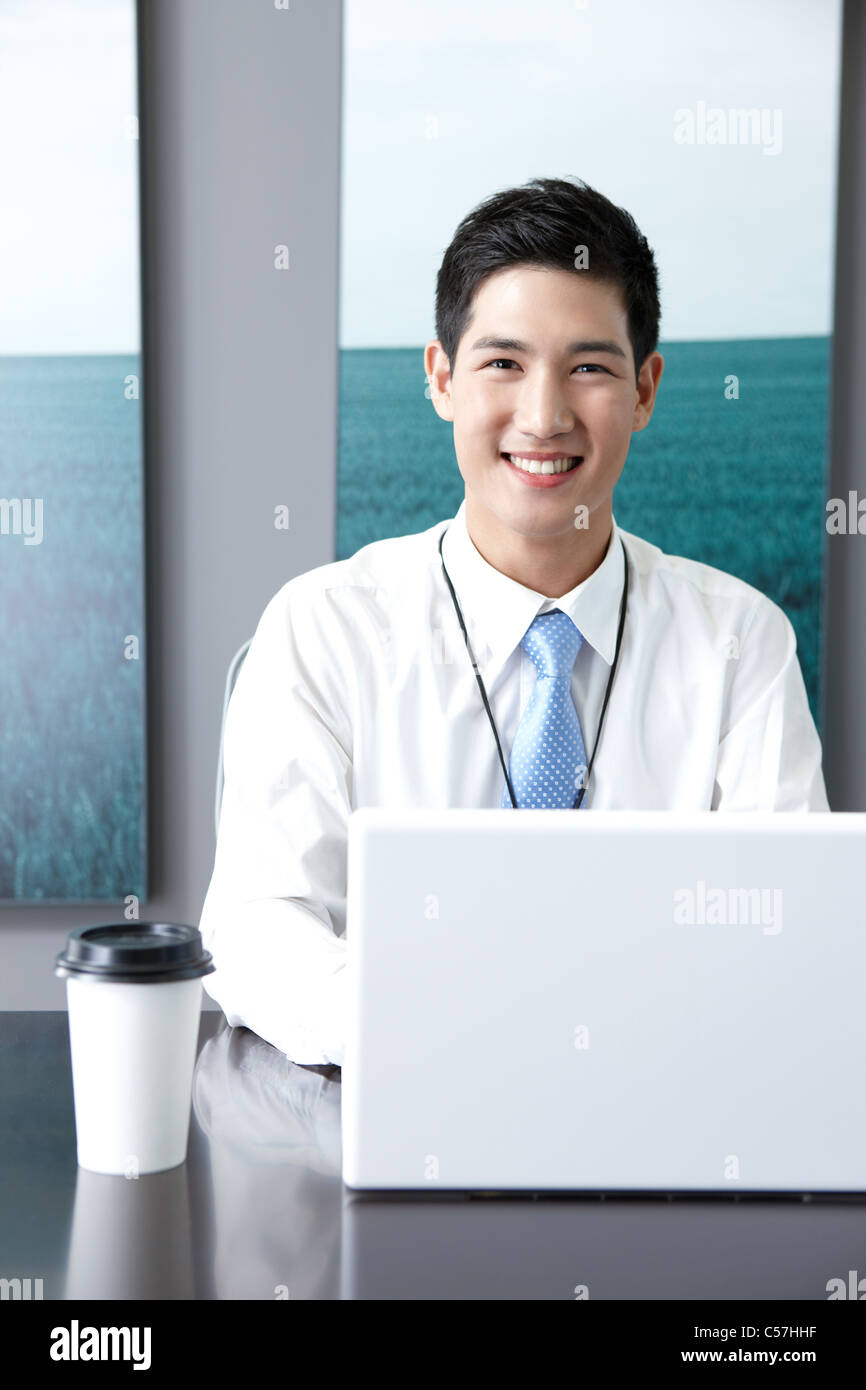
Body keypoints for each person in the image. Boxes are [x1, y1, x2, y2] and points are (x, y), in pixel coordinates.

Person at [199, 176, 828, 1066]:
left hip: (660, 1120)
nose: (544, 416)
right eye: (503, 363)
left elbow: (790, 928)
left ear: (645, 390)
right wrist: (465, 1039)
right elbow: (261, 929)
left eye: (590, 367)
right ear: (442, 379)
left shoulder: (740, 644)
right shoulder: (324, 630)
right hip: (392, 1117)